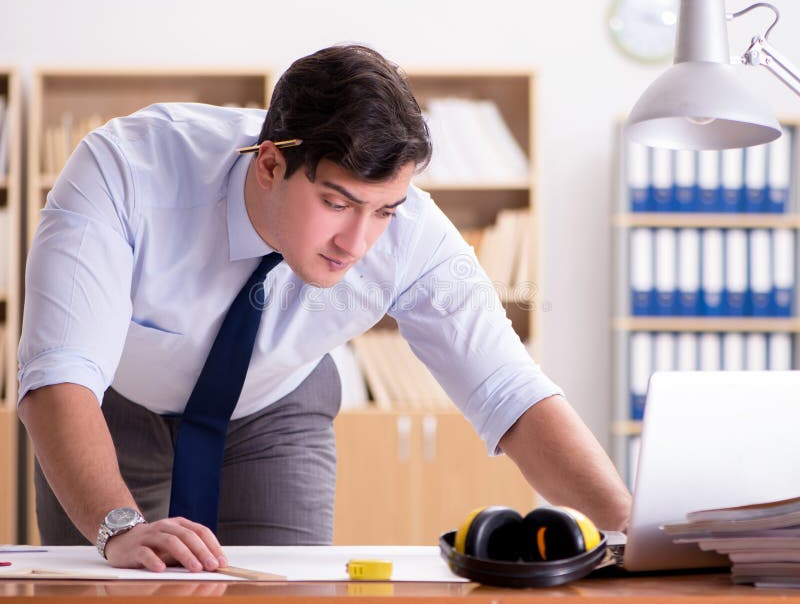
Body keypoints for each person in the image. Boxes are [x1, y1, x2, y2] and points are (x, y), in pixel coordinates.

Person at [18, 44, 631, 574]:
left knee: (288, 589)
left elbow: (511, 393)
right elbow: (59, 371)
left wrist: (632, 531)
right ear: (269, 164)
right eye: (337, 202)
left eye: (384, 209)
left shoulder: (414, 233)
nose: (358, 243)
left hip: (274, 411)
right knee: (108, 582)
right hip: (112, 408)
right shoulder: (125, 171)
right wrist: (118, 528)